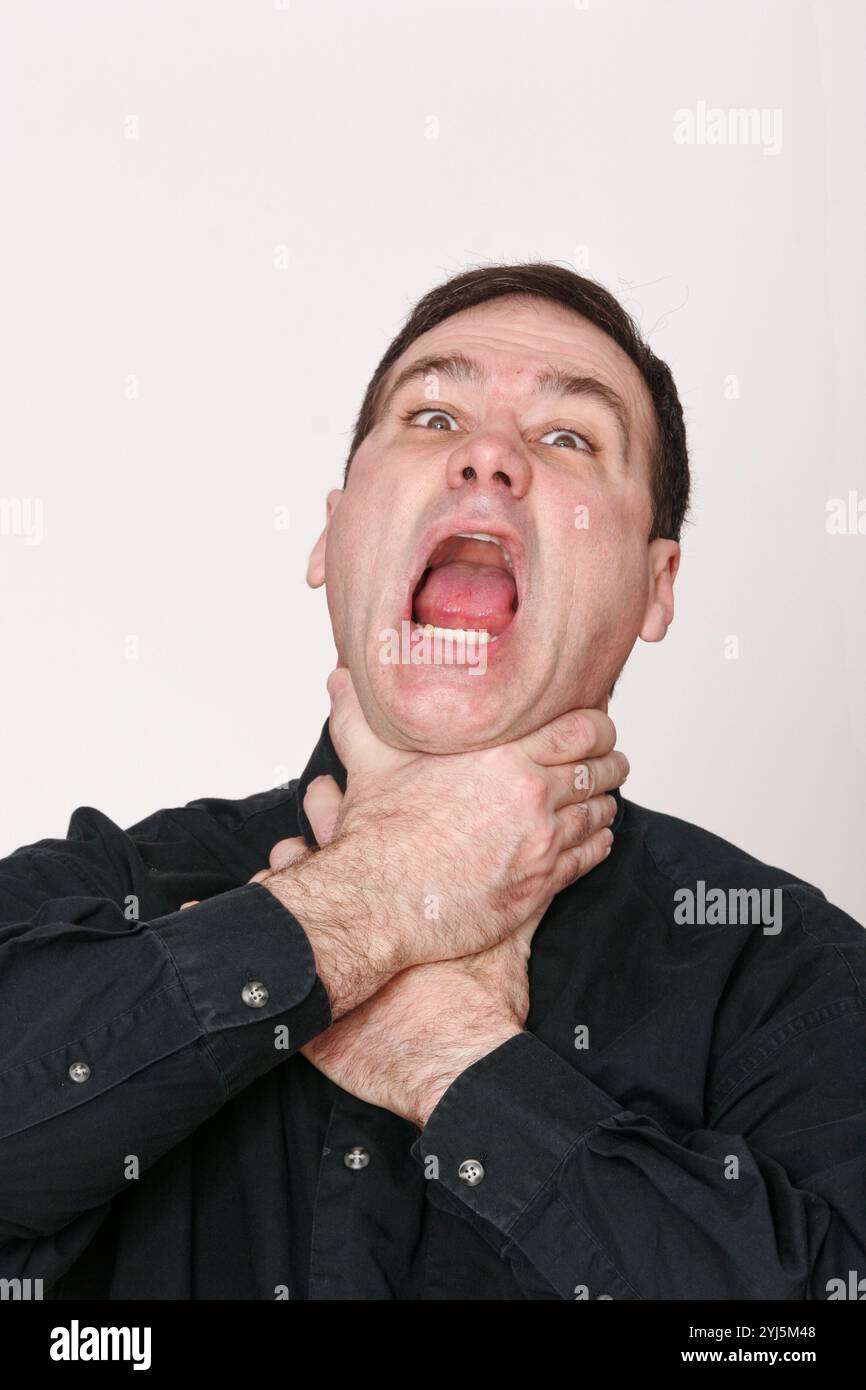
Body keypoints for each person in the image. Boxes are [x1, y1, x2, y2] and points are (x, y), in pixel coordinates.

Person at [1, 264, 863, 1301]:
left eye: (566, 438)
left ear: (654, 583)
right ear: (332, 530)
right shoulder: (110, 889)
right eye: (432, 413)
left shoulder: (787, 977)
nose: (487, 455)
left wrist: (458, 1063)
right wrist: (369, 899)